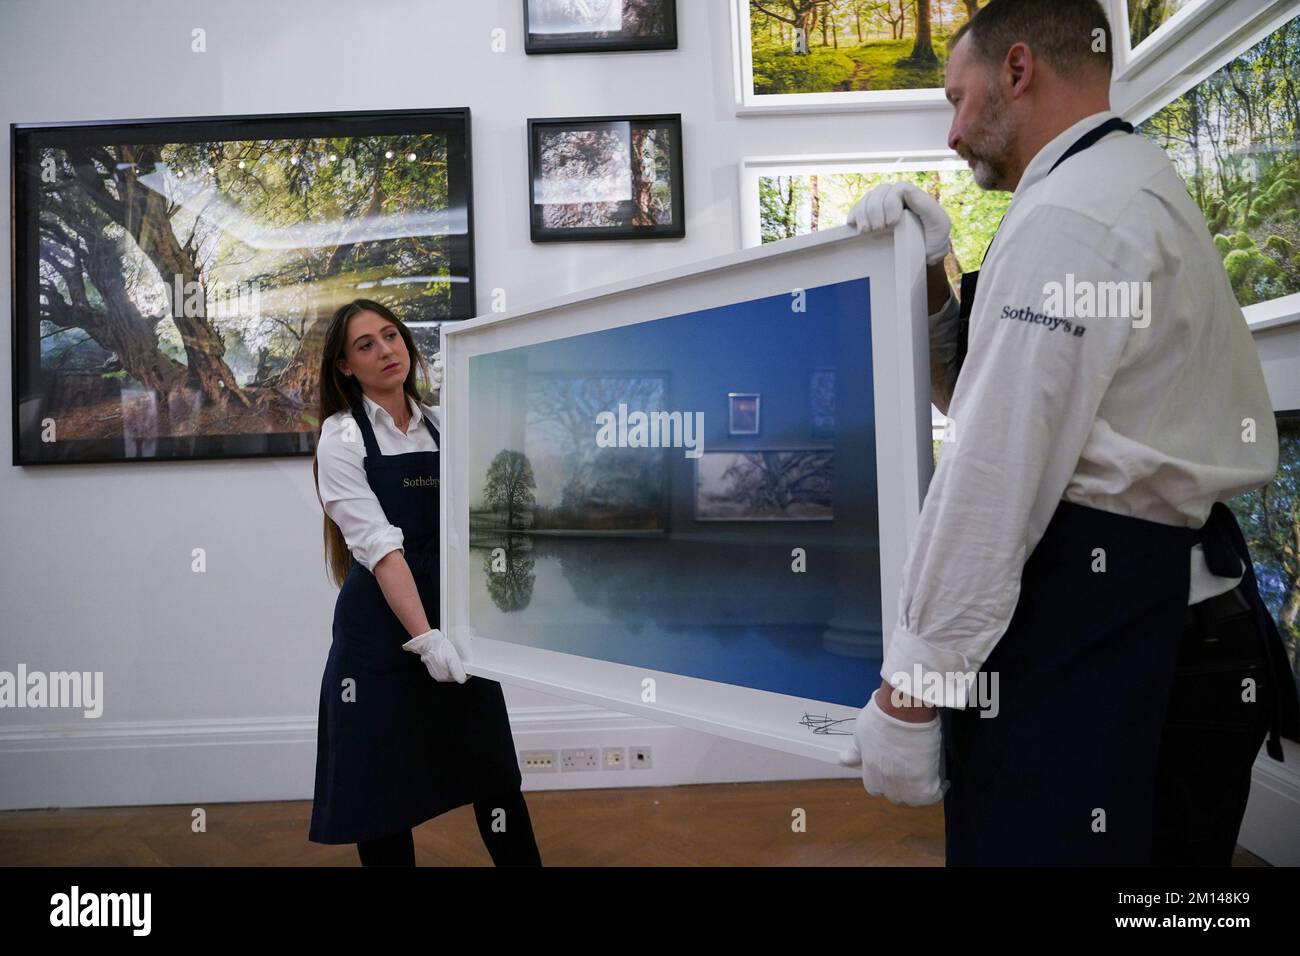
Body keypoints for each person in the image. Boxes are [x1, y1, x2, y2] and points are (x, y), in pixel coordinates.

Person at [839, 0, 1299, 865]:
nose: (951, 133)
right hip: (1170, 629)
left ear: (1017, 71)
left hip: (1118, 640)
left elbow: (992, 469)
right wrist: (931, 278)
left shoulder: (1071, 221)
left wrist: (912, 691)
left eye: (955, 97)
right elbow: (981, 399)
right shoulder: (1118, 183)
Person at [308, 298, 542, 867]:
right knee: (381, 794)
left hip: (457, 619)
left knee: (493, 777)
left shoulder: (444, 423)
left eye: (391, 336)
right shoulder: (341, 437)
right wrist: (425, 635)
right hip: (381, 637)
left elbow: (482, 522)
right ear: (345, 366)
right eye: (365, 344)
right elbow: (381, 550)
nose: (385, 350)